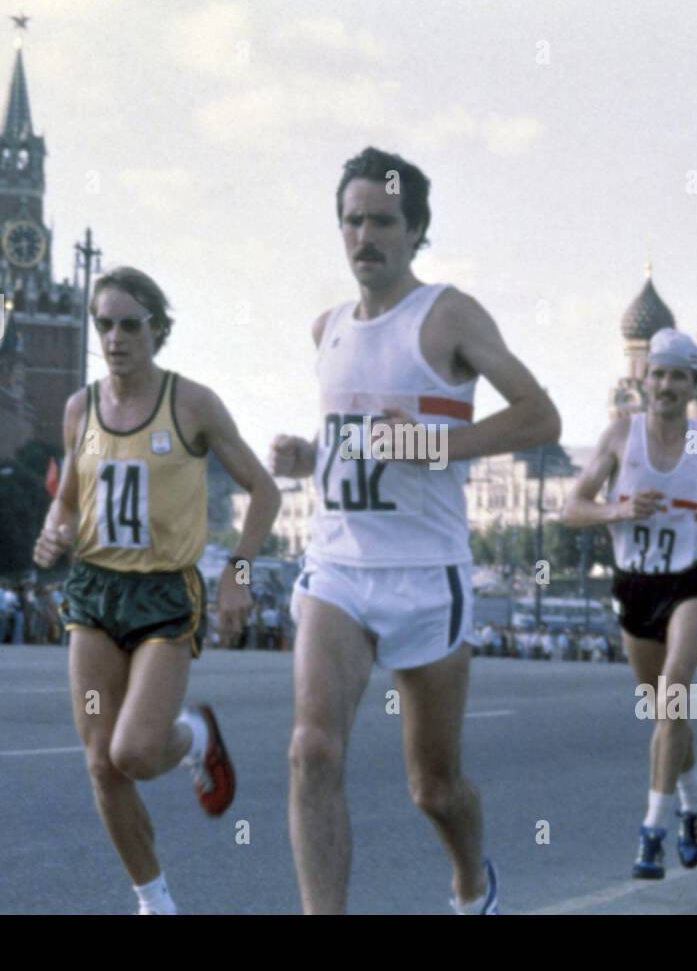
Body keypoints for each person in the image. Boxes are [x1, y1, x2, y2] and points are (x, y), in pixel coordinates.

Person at [271, 146, 561, 914]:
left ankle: (470, 882)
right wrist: (311, 454)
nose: (364, 236)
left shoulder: (447, 315)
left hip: (426, 573)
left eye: (383, 222)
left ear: (416, 230)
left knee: (432, 787)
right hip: (338, 564)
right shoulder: (326, 327)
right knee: (312, 750)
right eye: (352, 220)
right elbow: (353, 433)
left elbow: (541, 416)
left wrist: (434, 443)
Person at [34, 265, 280, 915]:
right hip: (92, 594)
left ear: (158, 330)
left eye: (130, 324)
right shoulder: (79, 408)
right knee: (100, 764)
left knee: (137, 751)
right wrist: (54, 529)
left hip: (164, 597)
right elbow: (69, 498)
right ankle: (155, 902)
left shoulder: (192, 403)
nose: (116, 337)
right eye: (104, 324)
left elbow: (265, 489)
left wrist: (239, 573)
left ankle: (195, 734)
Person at [561, 328, 697, 879]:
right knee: (663, 710)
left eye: (677, 376)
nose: (665, 385)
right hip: (636, 585)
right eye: (658, 374)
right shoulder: (621, 436)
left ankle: (652, 832)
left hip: (693, 581)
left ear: (693, 384)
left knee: (672, 697)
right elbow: (572, 507)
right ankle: (694, 798)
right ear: (645, 379)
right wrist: (616, 512)